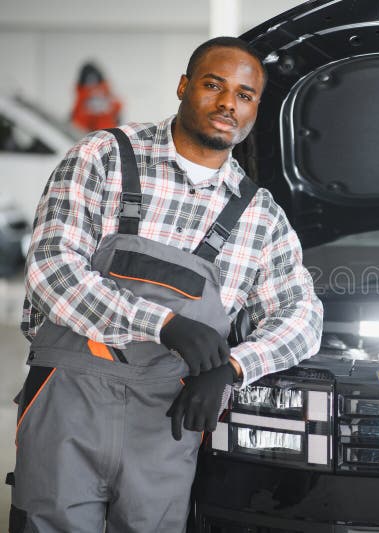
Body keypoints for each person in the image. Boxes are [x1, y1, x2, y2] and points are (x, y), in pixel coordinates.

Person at [10, 36, 323, 532]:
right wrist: (163, 324)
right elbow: (52, 268)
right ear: (184, 86)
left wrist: (233, 369)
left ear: (255, 109)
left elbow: (303, 318)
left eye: (244, 95)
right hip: (69, 403)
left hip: (167, 419)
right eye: (213, 85)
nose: (227, 103)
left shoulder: (259, 217)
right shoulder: (103, 157)